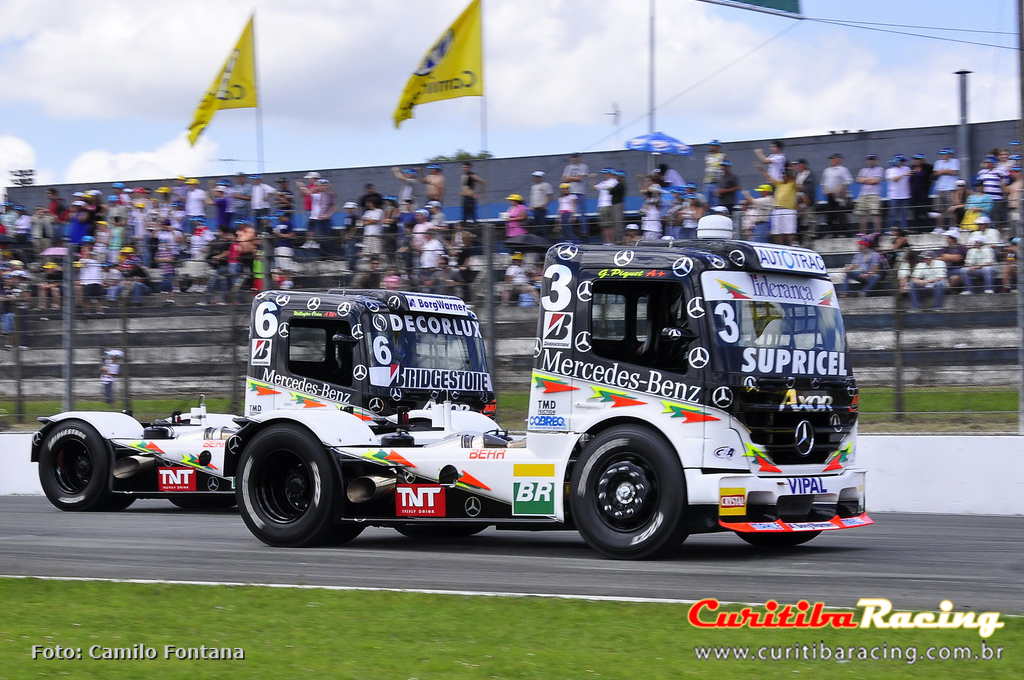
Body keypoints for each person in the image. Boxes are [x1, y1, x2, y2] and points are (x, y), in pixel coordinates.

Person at [756, 163, 799, 246]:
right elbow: (768, 177)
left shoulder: (792, 184)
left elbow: (796, 179)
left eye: (785, 176)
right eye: (782, 176)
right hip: (777, 210)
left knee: (788, 231)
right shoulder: (779, 184)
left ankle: (789, 247)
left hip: (788, 210)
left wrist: (792, 170)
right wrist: (761, 169)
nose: (783, 177)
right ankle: (780, 246)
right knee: (776, 232)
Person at [820, 154, 853, 237]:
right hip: (830, 195)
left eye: (833, 159)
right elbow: (823, 182)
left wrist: (841, 187)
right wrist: (825, 189)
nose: (831, 161)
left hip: (839, 196)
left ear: (838, 160)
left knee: (840, 215)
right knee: (830, 215)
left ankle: (845, 232)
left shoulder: (842, 169)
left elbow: (848, 181)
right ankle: (833, 232)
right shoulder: (827, 170)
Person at [854, 154, 885, 234]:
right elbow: (858, 179)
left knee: (875, 213)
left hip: (874, 194)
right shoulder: (863, 170)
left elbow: (875, 181)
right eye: (869, 159)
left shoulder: (879, 169)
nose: (871, 161)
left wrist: (865, 180)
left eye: (873, 159)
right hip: (863, 195)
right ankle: (862, 233)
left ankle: (877, 233)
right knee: (862, 214)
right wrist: (869, 180)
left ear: (876, 160)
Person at [932, 148, 961, 230]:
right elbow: (936, 173)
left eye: (945, 154)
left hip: (951, 188)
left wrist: (942, 171)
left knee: (952, 209)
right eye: (941, 154)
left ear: (950, 154)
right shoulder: (937, 162)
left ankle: (953, 226)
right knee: (940, 210)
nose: (943, 156)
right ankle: (939, 227)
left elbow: (954, 172)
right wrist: (946, 171)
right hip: (940, 188)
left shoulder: (955, 161)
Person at [561, 153, 589, 234]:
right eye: (573, 157)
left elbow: (580, 178)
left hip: (580, 192)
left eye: (576, 157)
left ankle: (584, 231)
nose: (574, 159)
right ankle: (570, 234)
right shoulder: (568, 167)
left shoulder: (583, 166)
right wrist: (575, 178)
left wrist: (570, 178)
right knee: (570, 214)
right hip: (570, 193)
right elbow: (564, 179)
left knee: (582, 212)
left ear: (579, 158)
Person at [885, 155, 912, 230]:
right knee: (892, 214)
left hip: (905, 195)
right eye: (902, 161)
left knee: (904, 214)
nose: (903, 163)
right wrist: (904, 175)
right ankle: (889, 230)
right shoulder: (890, 170)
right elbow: (894, 179)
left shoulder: (907, 168)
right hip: (894, 196)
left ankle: (904, 229)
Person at [908, 154, 934, 231]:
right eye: (915, 159)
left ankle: (927, 227)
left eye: (919, 159)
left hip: (924, 192)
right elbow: (910, 181)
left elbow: (933, 176)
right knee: (916, 210)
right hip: (915, 192)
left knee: (925, 209)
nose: (917, 161)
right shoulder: (911, 168)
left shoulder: (927, 167)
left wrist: (930, 184)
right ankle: (916, 227)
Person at [703, 140, 726, 207]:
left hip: (717, 183)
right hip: (707, 182)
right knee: (706, 203)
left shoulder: (722, 156)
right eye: (712, 146)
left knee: (715, 203)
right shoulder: (707, 156)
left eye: (715, 146)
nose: (713, 147)